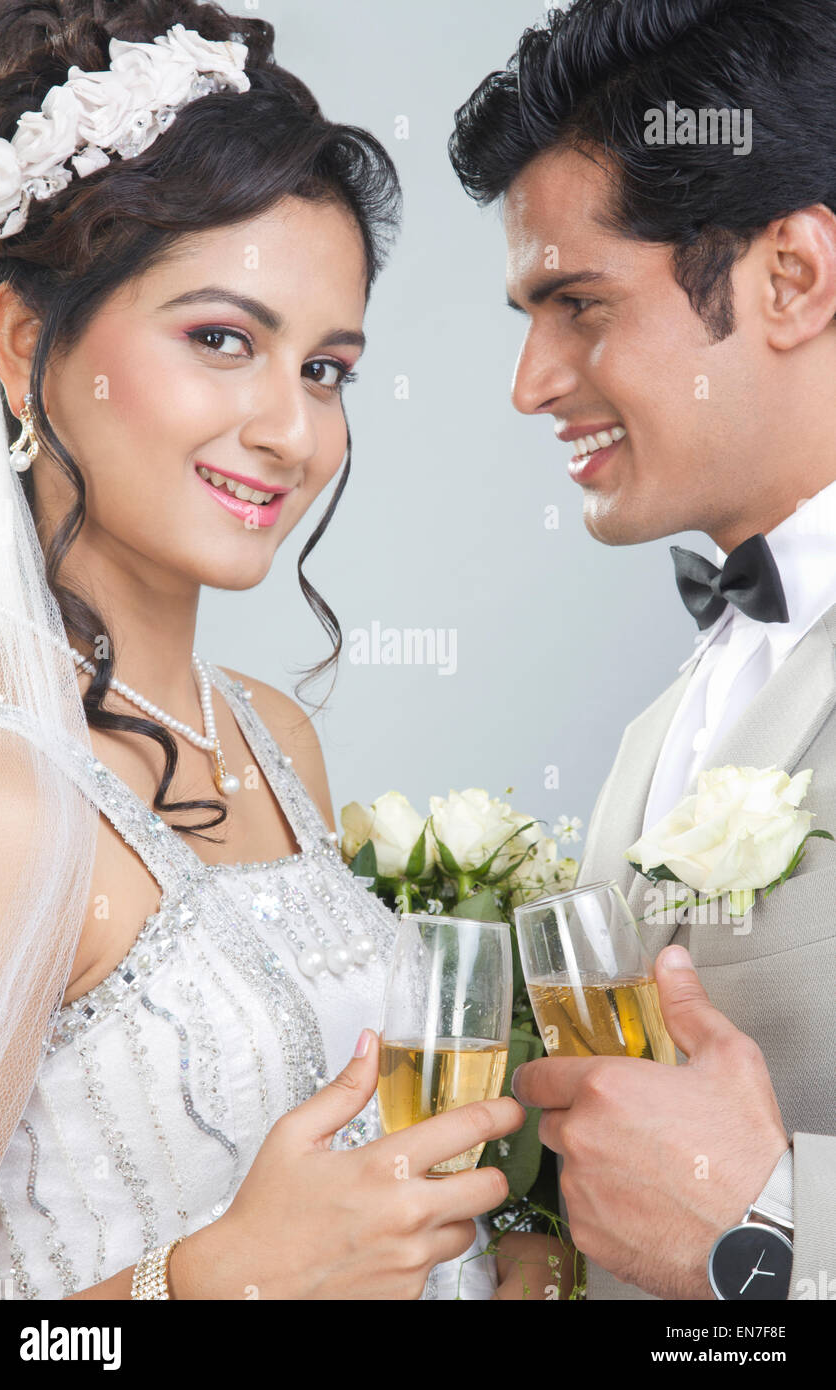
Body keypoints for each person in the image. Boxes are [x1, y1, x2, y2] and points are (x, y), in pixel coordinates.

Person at [0, 0, 525, 1301]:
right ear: (23, 342)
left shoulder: (276, 736)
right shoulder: (4, 802)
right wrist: (213, 1281)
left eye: (326, 367)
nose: (292, 430)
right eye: (221, 338)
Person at [449, 0, 836, 1300]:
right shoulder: (661, 724)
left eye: (578, 303)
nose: (530, 383)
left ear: (792, 278)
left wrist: (768, 1226)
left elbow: (723, 1215)